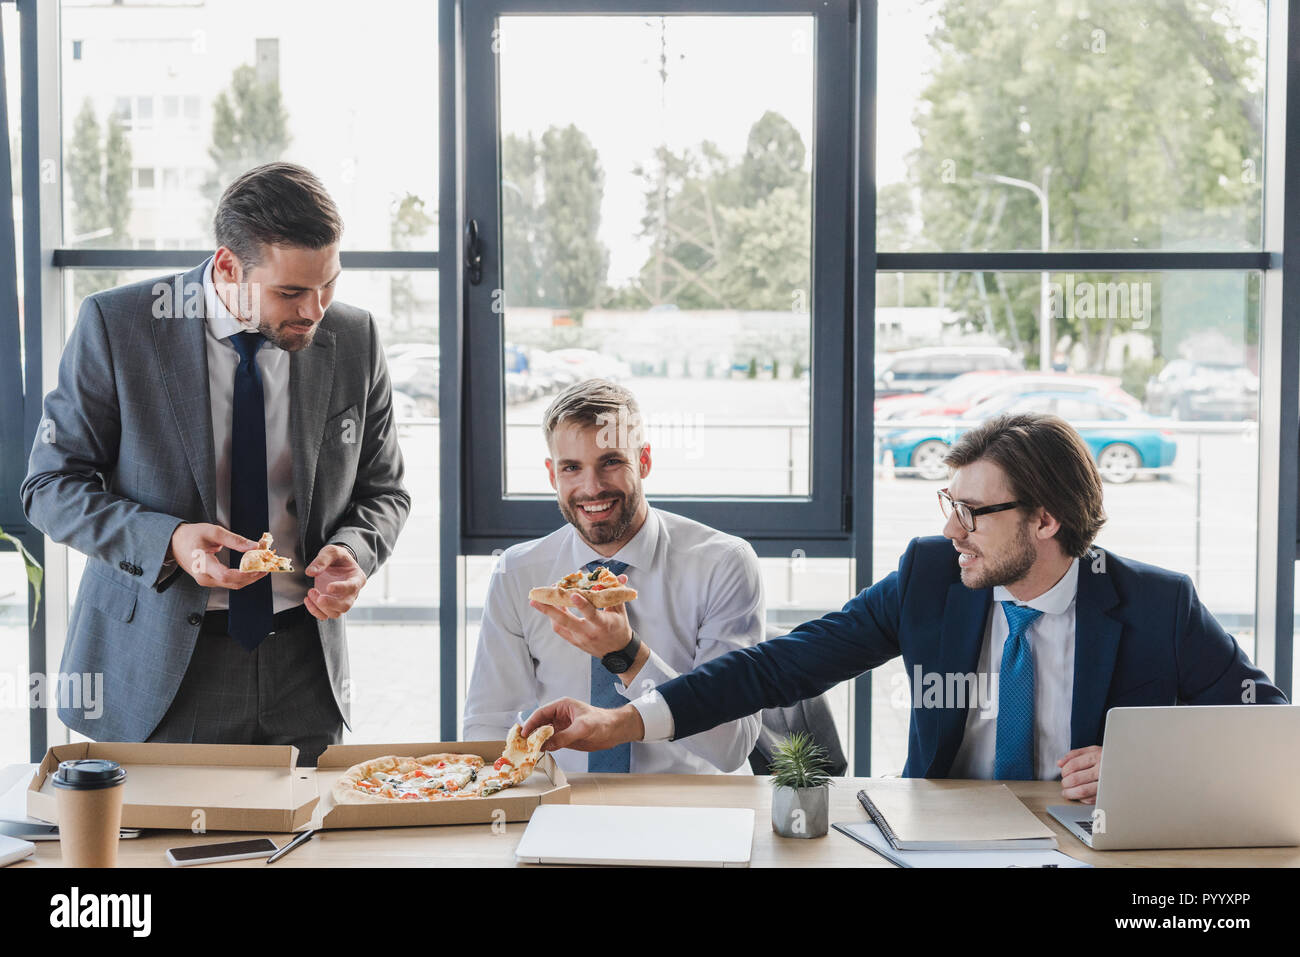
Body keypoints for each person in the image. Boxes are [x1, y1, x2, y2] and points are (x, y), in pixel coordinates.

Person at [523, 412, 1287, 801]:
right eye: (949, 503)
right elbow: (777, 668)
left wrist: (1146, 768)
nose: (951, 528)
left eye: (974, 512)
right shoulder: (932, 576)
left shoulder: (1157, 606)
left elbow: (1274, 734)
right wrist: (622, 721)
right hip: (940, 840)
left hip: (1086, 848)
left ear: (1046, 519)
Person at [22, 162, 411, 765]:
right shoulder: (118, 325)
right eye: (290, 292)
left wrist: (356, 553)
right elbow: (50, 486)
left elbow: (384, 490)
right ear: (228, 266)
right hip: (159, 669)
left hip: (304, 670)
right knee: (160, 858)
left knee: (308, 854)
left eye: (328, 283)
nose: (315, 309)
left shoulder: (355, 338)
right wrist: (169, 540)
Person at [463, 378, 764, 774]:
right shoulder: (518, 573)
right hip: (563, 801)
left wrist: (626, 656)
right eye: (572, 467)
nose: (592, 488)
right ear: (553, 475)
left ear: (644, 461)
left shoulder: (723, 564)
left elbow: (732, 747)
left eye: (611, 462)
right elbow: (489, 724)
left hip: (689, 804)